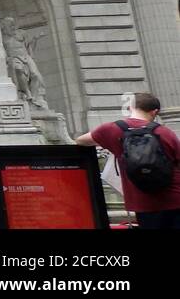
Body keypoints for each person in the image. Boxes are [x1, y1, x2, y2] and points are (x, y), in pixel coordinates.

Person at [77, 92, 180, 228]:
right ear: (155, 112)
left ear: (131, 108)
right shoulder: (165, 132)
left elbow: (81, 141)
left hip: (142, 203)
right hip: (175, 199)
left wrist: (111, 145)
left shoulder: (111, 130)